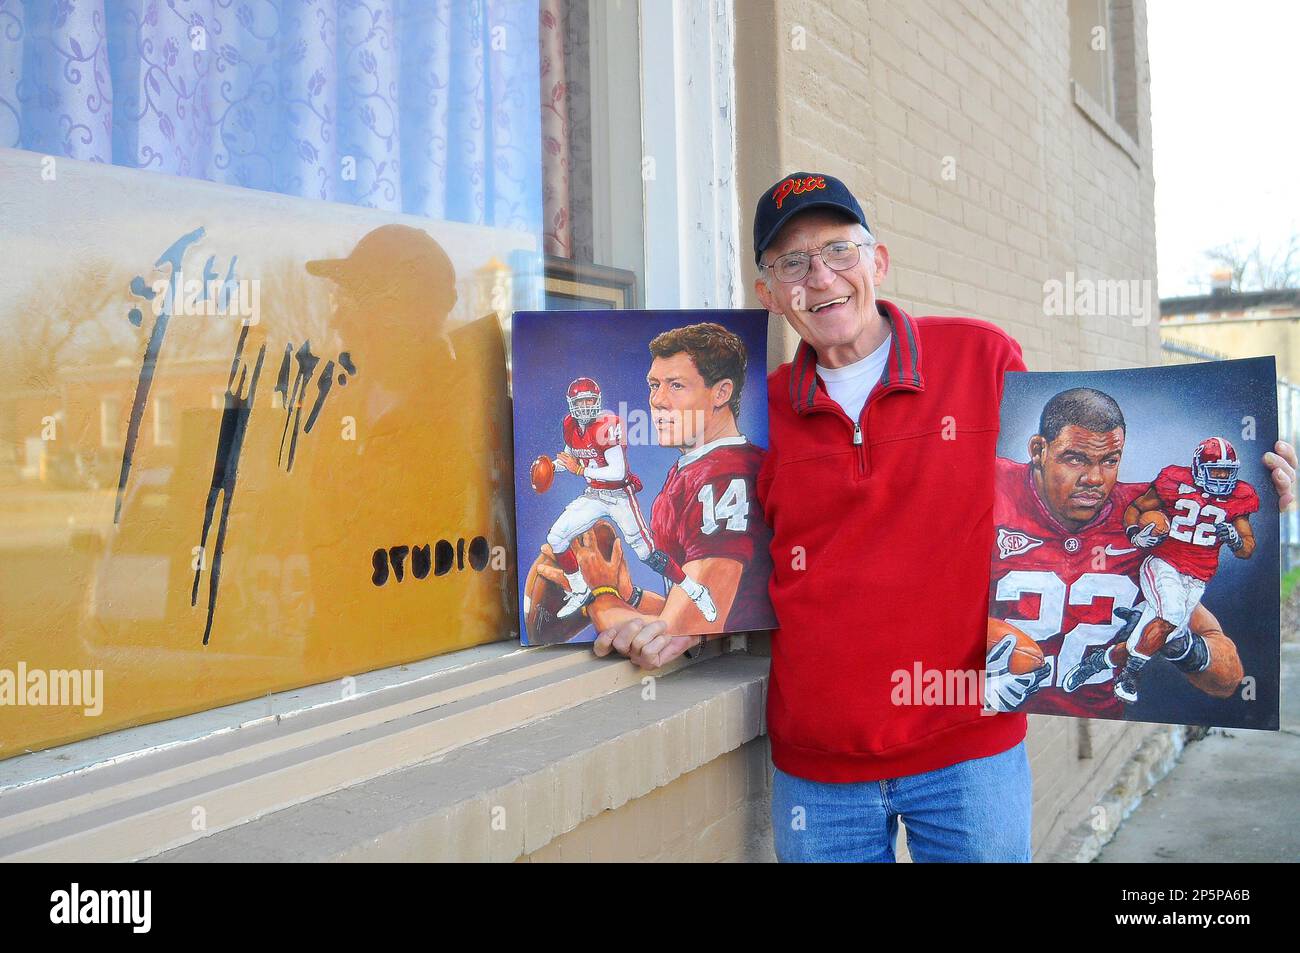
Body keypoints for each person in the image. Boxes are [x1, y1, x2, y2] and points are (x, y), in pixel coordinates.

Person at [592, 172, 1298, 862]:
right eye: (792, 262)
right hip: (820, 769)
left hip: (970, 755)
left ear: (878, 260)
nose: (822, 276)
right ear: (768, 293)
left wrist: (1259, 495)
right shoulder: (761, 414)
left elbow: (1077, 491)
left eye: (839, 249)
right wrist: (676, 624)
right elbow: (727, 558)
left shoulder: (982, 358)